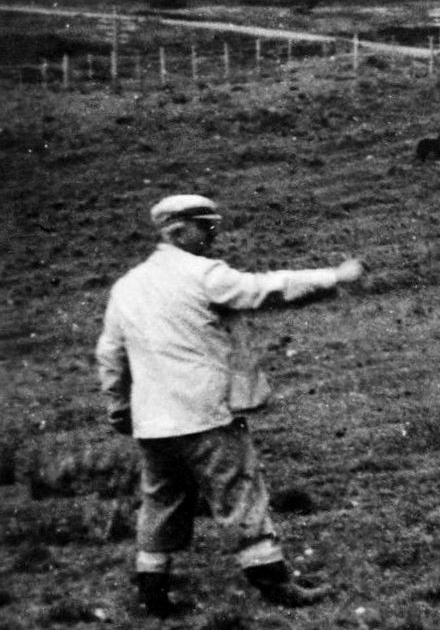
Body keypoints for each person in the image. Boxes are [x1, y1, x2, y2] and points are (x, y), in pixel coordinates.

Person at [95, 194, 365, 617]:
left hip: (151, 422)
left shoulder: (127, 286)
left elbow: (110, 355)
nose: (214, 237)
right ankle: (274, 584)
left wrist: (119, 409)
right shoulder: (203, 274)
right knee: (240, 492)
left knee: (161, 503)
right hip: (206, 415)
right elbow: (266, 290)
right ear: (182, 230)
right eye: (209, 228)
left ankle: (152, 593)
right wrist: (333, 276)